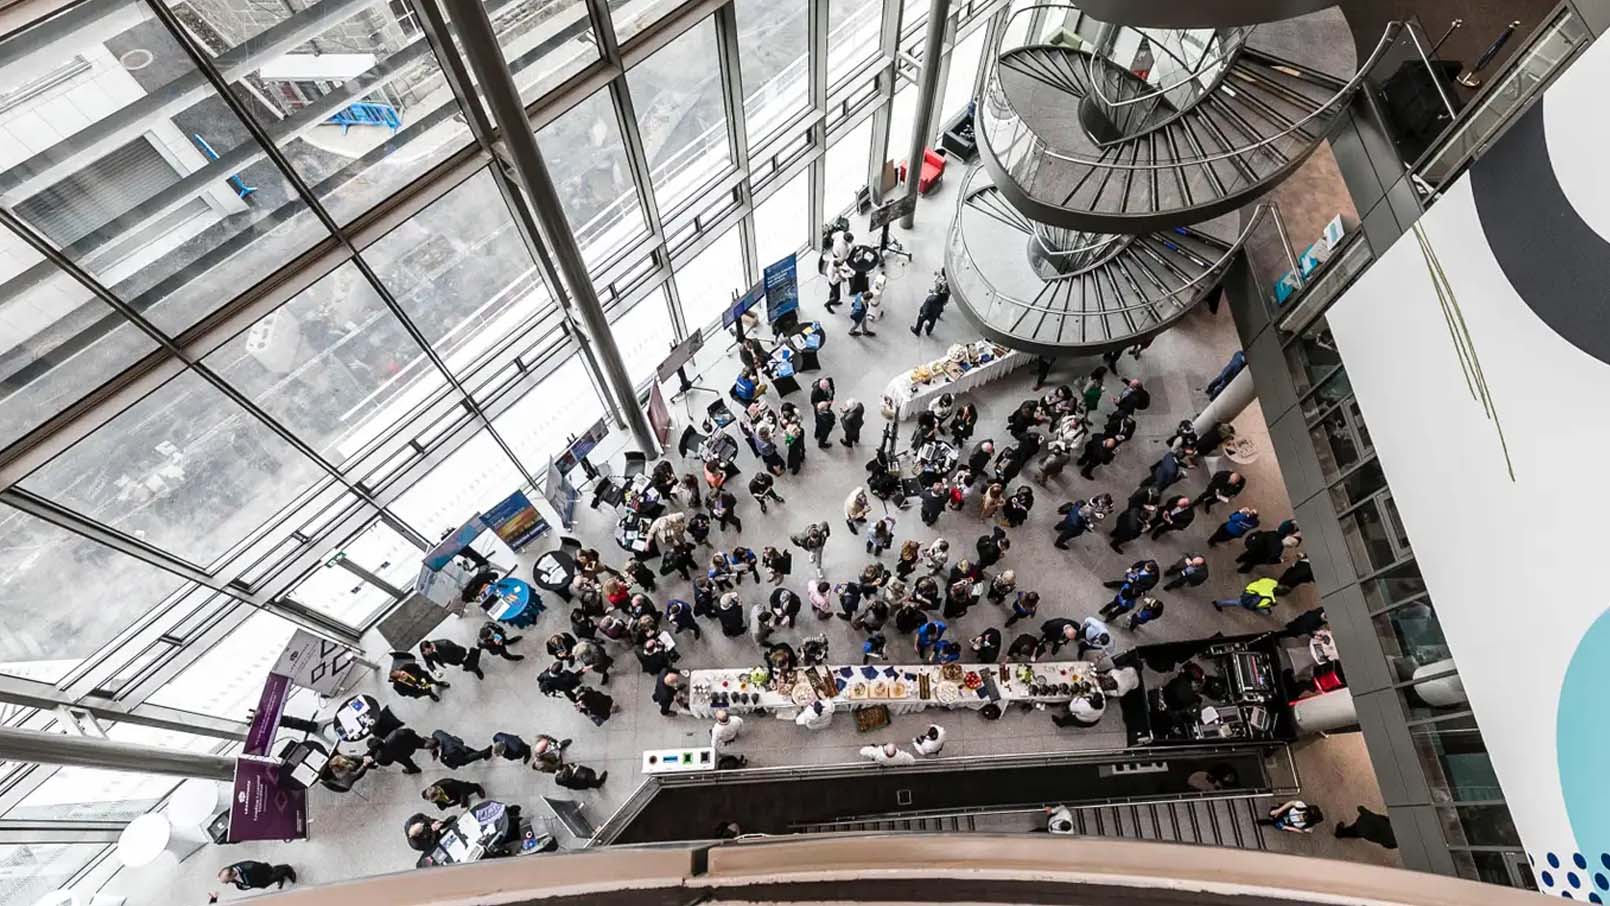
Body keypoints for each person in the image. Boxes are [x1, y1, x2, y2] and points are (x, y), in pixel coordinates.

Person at [1334, 805, 1398, 848]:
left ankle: (1340, 833)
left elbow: (1373, 818)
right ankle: (1353, 833)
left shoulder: (1386, 824)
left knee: (1355, 830)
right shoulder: (1396, 841)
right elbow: (1388, 845)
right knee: (1359, 832)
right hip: (1374, 834)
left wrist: (1362, 810)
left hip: (1364, 826)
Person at [425, 729, 491, 768]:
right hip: (457, 743)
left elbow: (453, 766)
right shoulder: (437, 733)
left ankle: (483, 753)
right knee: (466, 750)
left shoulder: (445, 753)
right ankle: (480, 753)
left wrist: (444, 760)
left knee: (465, 759)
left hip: (455, 751)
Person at [216, 861, 296, 892]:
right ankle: (280, 877)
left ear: (232, 874)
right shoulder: (231, 873)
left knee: (273, 874)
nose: (227, 883)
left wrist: (270, 871)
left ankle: (287, 870)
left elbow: (264, 868)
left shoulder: (249, 867)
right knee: (266, 884)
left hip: (262, 875)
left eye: (227, 881)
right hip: (256, 881)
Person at [1215, 576, 1281, 613]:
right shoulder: (1270, 597)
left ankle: (1219, 603)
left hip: (1249, 589)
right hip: (1250, 597)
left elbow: (1263, 579)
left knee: (1238, 601)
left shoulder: (1273, 582)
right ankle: (1218, 603)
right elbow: (1259, 604)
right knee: (1238, 602)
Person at [1260, 800, 1324, 833]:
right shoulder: (1301, 806)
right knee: (1271, 813)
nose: (1300, 817)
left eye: (1303, 819)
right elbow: (1291, 803)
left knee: (1277, 824)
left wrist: (1285, 827)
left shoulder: (1307, 825)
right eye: (1302, 815)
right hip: (1286, 812)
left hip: (1289, 823)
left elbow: (1300, 830)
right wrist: (1279, 810)